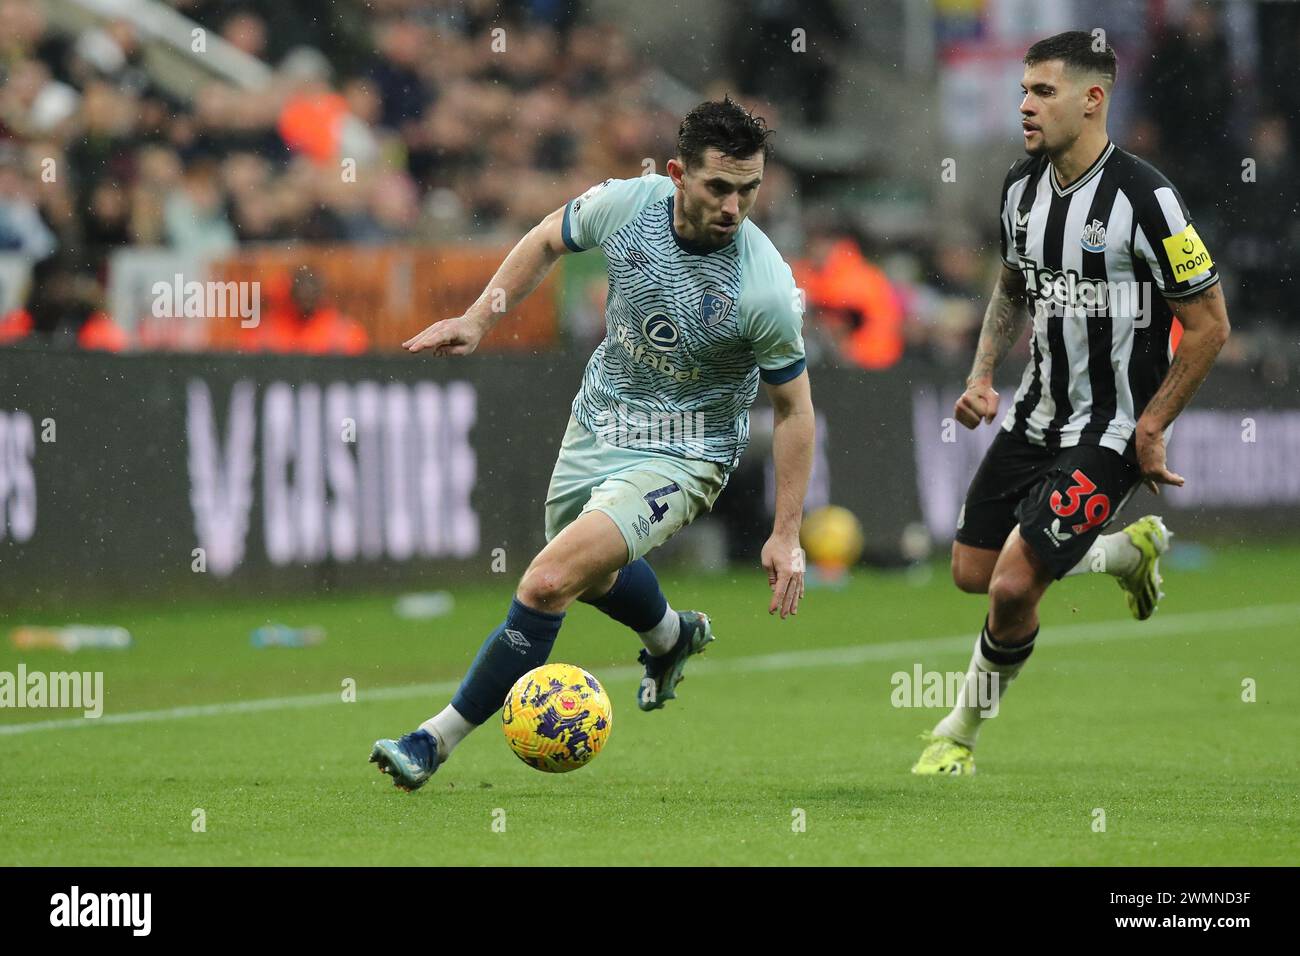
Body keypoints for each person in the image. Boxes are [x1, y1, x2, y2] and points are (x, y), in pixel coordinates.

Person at [370, 98, 814, 791]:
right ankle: (670, 636)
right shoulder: (627, 206)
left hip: (687, 450)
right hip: (600, 420)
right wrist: (480, 318)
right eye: (718, 187)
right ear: (676, 175)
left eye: (748, 190)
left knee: (548, 581)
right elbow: (548, 237)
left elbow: (794, 411)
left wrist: (786, 533)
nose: (734, 207)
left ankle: (433, 739)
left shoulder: (764, 290)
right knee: (590, 575)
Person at [913, 32, 1231, 775]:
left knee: (1016, 583)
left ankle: (956, 735)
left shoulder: (1147, 200)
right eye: (1023, 90)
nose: (1025, 105)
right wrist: (983, 373)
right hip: (1035, 413)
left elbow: (1211, 323)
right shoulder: (1019, 188)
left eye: (1043, 91)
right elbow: (1014, 284)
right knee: (971, 571)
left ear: (1093, 100)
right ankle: (1126, 552)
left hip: (1114, 425)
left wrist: (1153, 425)